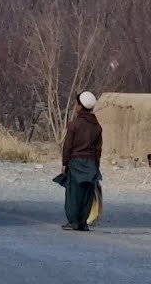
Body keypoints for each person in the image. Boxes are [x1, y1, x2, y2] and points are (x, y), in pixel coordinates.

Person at [59, 91, 103, 231]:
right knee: (87, 194)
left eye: (76, 103)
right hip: (91, 163)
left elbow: (68, 146)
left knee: (73, 193)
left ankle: (73, 221)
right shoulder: (97, 127)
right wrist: (96, 166)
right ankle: (83, 223)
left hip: (76, 162)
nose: (75, 106)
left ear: (80, 106)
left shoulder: (74, 125)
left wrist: (65, 163)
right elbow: (98, 149)